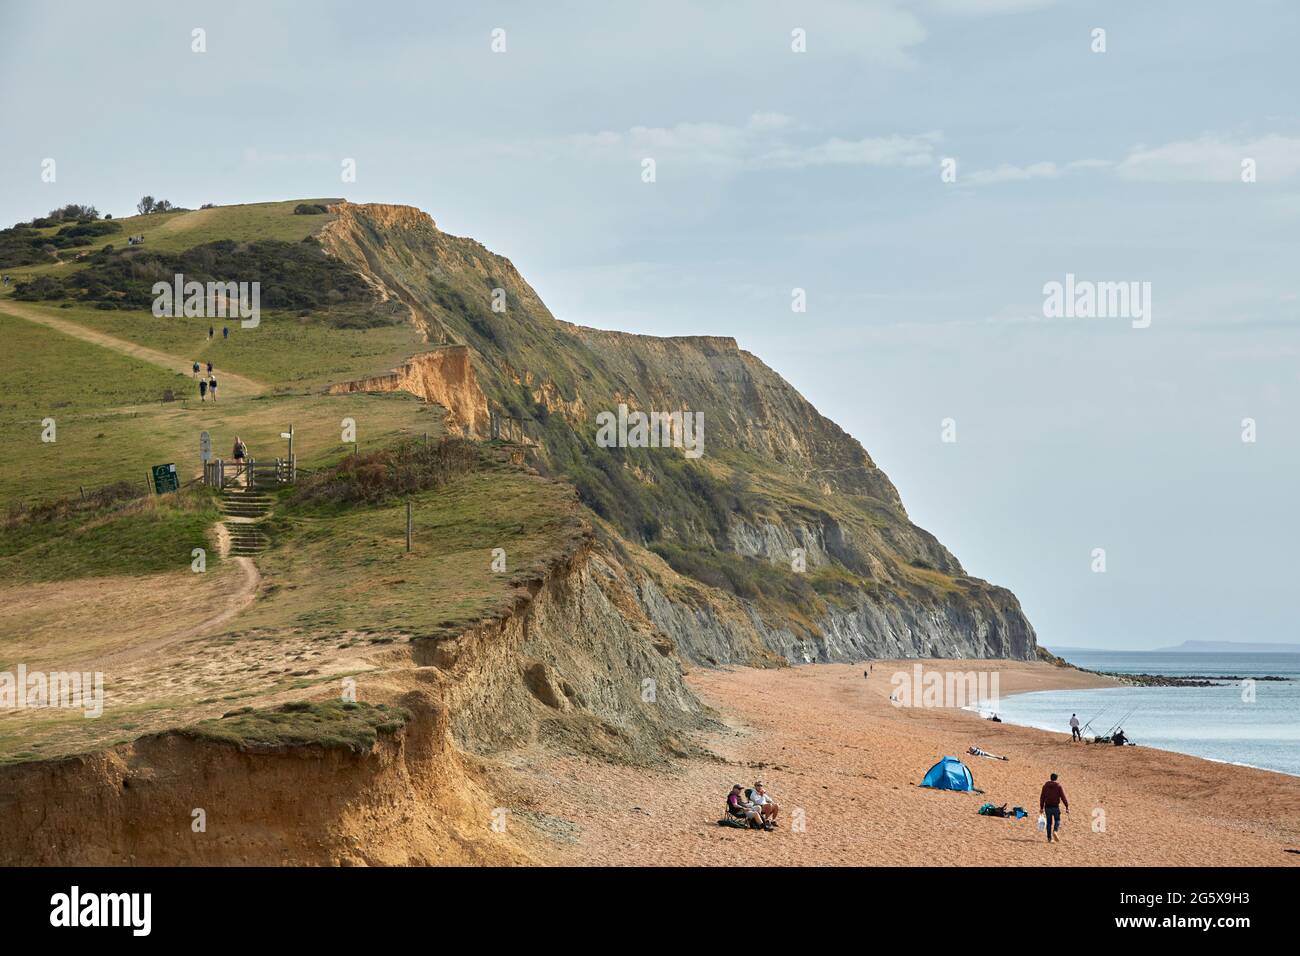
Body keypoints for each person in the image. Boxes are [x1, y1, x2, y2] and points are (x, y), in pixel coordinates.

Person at [1039, 772, 1069, 843]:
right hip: (1055, 807)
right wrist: (1066, 806)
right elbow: (1063, 797)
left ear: (1050, 778)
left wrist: (1041, 807)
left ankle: (1049, 838)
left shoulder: (1045, 786)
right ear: (1056, 778)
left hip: (1047, 807)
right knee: (1057, 820)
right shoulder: (1058, 786)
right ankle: (1055, 831)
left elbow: (1042, 797)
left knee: (1049, 823)